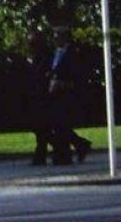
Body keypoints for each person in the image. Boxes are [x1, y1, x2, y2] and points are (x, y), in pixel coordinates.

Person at [48, 27, 91, 164]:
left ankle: (70, 152)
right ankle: (79, 146)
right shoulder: (56, 53)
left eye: (57, 37)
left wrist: (62, 84)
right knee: (58, 125)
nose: (54, 40)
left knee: (61, 125)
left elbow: (77, 76)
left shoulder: (72, 54)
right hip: (55, 95)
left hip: (67, 95)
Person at [26, 30, 53, 164]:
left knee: (42, 126)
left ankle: (40, 154)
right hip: (35, 95)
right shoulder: (35, 58)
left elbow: (44, 75)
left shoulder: (45, 57)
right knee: (38, 126)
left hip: (43, 96)